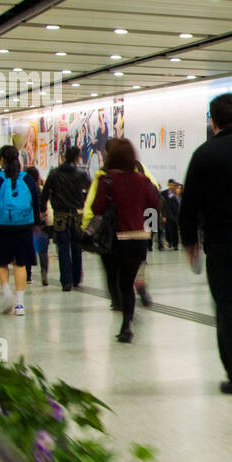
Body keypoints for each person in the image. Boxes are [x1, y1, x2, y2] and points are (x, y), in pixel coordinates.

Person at [179, 93, 232, 393]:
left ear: (213, 121)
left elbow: (188, 205)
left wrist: (189, 241)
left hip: (223, 246)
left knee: (229, 310)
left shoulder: (205, 154)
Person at [87, 139, 159, 343]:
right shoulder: (142, 180)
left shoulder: (106, 180)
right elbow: (154, 204)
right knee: (128, 282)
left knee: (118, 281)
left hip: (114, 239)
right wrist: (148, 227)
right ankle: (127, 324)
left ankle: (123, 317)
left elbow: (97, 208)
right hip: (137, 238)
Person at [0, 144, 40, 317]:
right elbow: (35, 202)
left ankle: (7, 292)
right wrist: (35, 224)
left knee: (1, 262)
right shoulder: (27, 178)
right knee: (20, 264)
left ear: (1, 160)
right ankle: (20, 304)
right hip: (24, 227)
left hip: (2, 227)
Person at [40, 144, 91, 291]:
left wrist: (43, 208)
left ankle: (66, 282)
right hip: (77, 214)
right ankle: (76, 278)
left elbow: (45, 194)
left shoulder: (54, 173)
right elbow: (90, 190)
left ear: (63, 157)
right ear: (77, 158)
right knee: (76, 245)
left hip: (60, 214)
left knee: (63, 247)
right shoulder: (80, 174)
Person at [25, 166, 51, 286]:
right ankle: (44, 272)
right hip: (40, 223)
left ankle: (28, 274)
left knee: (27, 248)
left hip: (27, 222)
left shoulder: (24, 189)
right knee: (43, 250)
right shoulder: (40, 189)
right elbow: (44, 206)